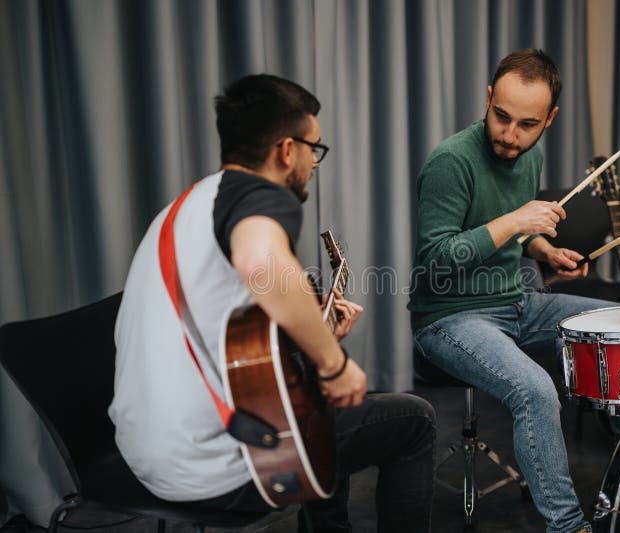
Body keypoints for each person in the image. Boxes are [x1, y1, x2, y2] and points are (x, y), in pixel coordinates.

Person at [110, 74, 435, 533]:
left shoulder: (185, 207)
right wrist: (332, 361)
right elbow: (261, 262)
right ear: (286, 150)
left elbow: (232, 335)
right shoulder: (259, 195)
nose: (314, 163)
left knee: (322, 413)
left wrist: (314, 331)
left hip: (141, 454)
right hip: (214, 466)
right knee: (414, 420)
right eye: (313, 149)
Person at [409, 49, 613, 533]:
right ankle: (568, 527)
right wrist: (518, 220)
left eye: (526, 124)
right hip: (448, 317)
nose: (509, 134)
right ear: (488, 98)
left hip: (515, 302)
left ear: (549, 119)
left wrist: (544, 250)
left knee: (618, 327)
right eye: (501, 116)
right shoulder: (450, 161)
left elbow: (515, 236)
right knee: (536, 391)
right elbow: (435, 260)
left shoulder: (530, 152)